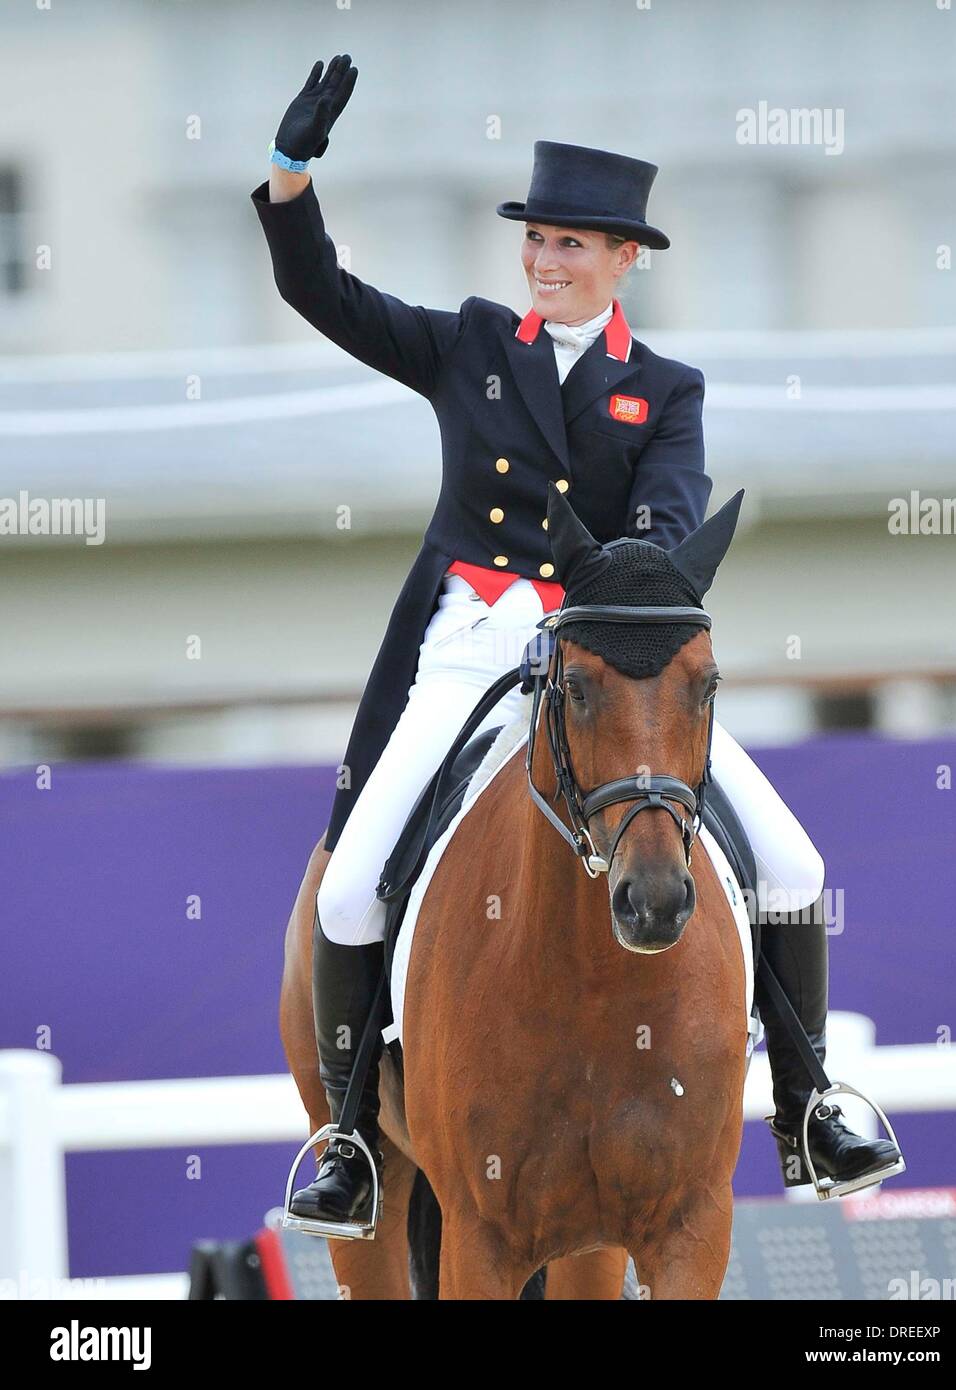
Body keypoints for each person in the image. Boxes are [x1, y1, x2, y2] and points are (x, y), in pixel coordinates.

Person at [251, 54, 903, 1233]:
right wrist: (293, 176)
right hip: (466, 649)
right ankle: (350, 1134)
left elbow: (666, 514)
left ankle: (809, 1104)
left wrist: (625, 579)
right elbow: (324, 296)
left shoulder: (665, 388)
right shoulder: (465, 346)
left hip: (604, 661)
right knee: (349, 883)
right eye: (536, 241)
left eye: (571, 246)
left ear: (624, 261)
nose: (545, 263)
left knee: (796, 865)